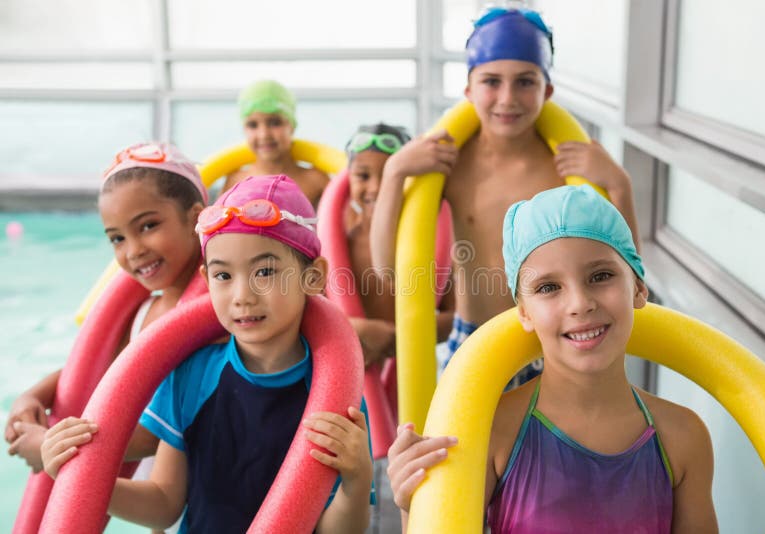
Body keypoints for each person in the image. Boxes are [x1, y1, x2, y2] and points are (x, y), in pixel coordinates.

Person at [41, 175, 374, 533]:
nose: (242, 296)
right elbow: (163, 504)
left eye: (264, 271)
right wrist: (78, 476)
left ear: (313, 277)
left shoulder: (332, 396)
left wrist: (357, 481)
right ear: (206, 277)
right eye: (223, 276)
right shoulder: (191, 375)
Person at [386, 185, 718, 533]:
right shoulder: (490, 432)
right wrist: (414, 506)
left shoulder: (683, 438)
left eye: (601, 276)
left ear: (638, 288)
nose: (580, 304)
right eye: (548, 287)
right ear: (524, 312)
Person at [370, 7, 641, 384]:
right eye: (491, 81)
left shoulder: (568, 166)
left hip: (555, 344)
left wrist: (619, 185)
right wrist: (394, 172)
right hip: (474, 341)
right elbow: (388, 270)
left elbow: (630, 273)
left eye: (525, 82)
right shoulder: (451, 164)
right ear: (469, 90)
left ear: (547, 90)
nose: (507, 98)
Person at [5, 142, 207, 476]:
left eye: (148, 226)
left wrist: (51, 446)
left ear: (195, 218)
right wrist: (32, 396)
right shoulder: (146, 310)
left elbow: (166, 430)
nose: (134, 250)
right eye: (117, 238)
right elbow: (98, 370)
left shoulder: (217, 315)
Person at [341, 123, 454, 367]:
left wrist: (398, 335)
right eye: (363, 176)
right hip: (353, 365)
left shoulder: (435, 242)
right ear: (348, 177)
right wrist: (357, 329)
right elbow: (311, 309)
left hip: (408, 370)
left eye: (388, 176)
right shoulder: (337, 241)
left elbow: (457, 317)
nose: (376, 188)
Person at [223, 79, 330, 207]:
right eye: (253, 125)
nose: (264, 134)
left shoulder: (315, 181)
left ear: (292, 126)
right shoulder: (235, 181)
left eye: (275, 123)